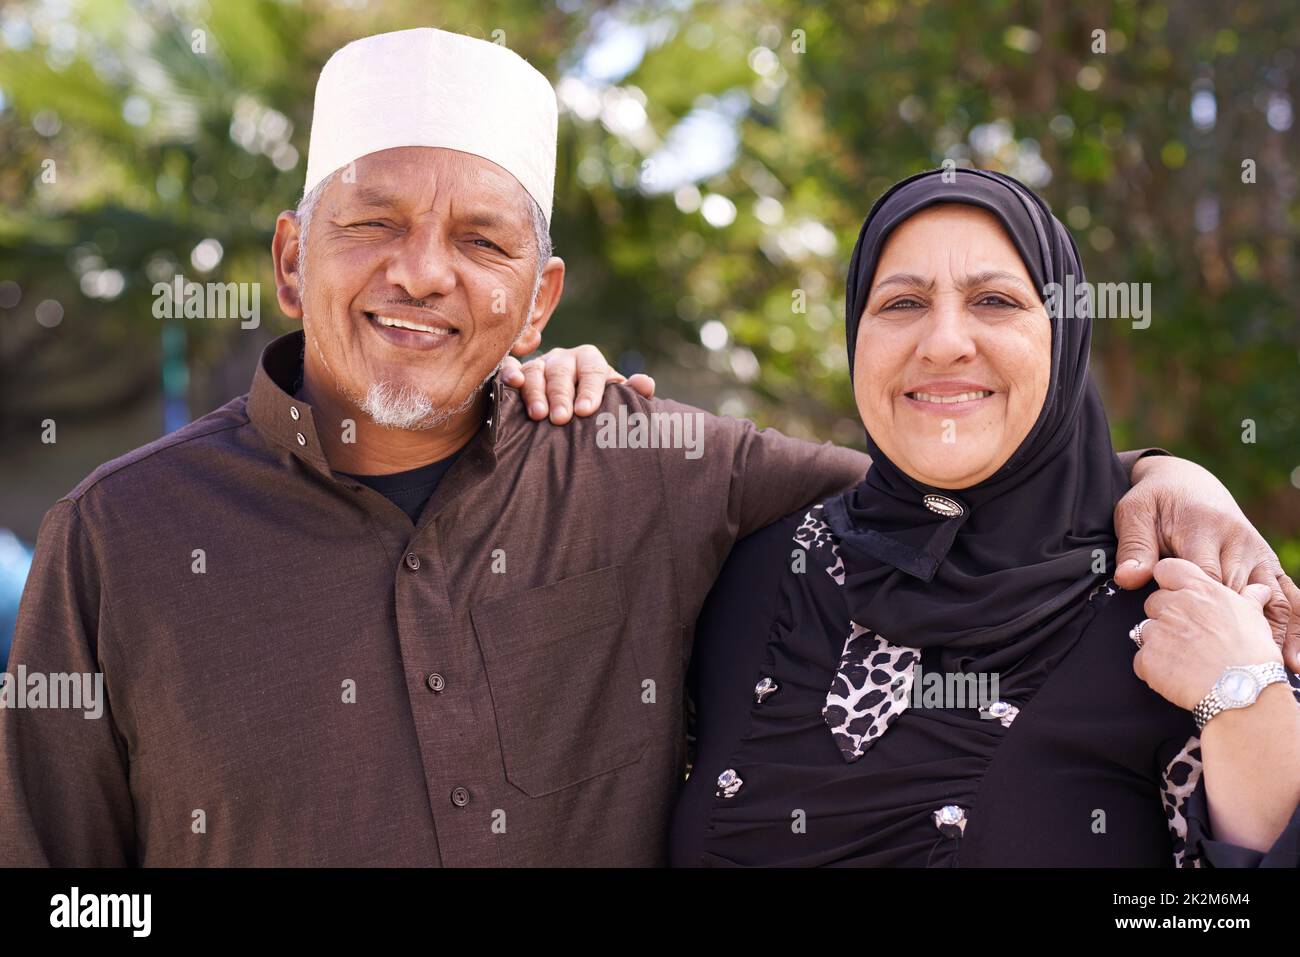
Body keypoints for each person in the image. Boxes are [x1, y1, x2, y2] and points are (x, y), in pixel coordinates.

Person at [0, 29, 1292, 867]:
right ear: (292, 257)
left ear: (544, 296)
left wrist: (1159, 476)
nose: (423, 274)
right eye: (372, 223)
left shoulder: (662, 469)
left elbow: (955, 471)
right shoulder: (120, 535)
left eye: (484, 243)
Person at [670, 169, 1300, 867]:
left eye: (995, 300)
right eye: (903, 301)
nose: (943, 342)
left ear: (1064, 338)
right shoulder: (751, 572)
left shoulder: (1187, 611)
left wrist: (1245, 697)